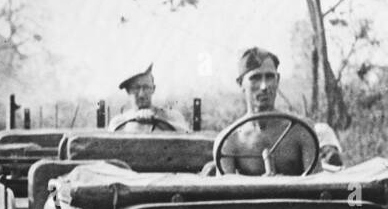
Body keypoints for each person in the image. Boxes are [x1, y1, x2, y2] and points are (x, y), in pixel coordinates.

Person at [212, 47, 343, 175]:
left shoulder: (302, 131)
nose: (264, 86)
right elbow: (226, 192)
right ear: (241, 84)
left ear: (278, 80)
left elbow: (317, 188)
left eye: (269, 77)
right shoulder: (229, 141)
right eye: (255, 78)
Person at [107, 64, 188, 132]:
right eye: (136, 88)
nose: (141, 94)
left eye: (146, 87)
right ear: (128, 91)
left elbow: (186, 141)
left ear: (153, 89)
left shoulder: (173, 117)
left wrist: (157, 120)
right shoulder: (118, 122)